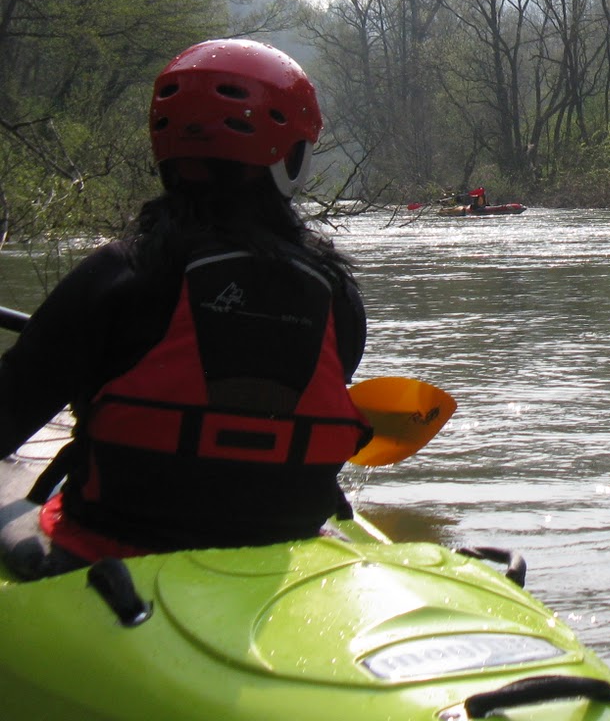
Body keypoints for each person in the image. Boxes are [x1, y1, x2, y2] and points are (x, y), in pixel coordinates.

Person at [0, 39, 370, 578]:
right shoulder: (337, 294)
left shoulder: (120, 273)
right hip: (283, 550)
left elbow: (10, 410)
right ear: (291, 156)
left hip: (112, 549)